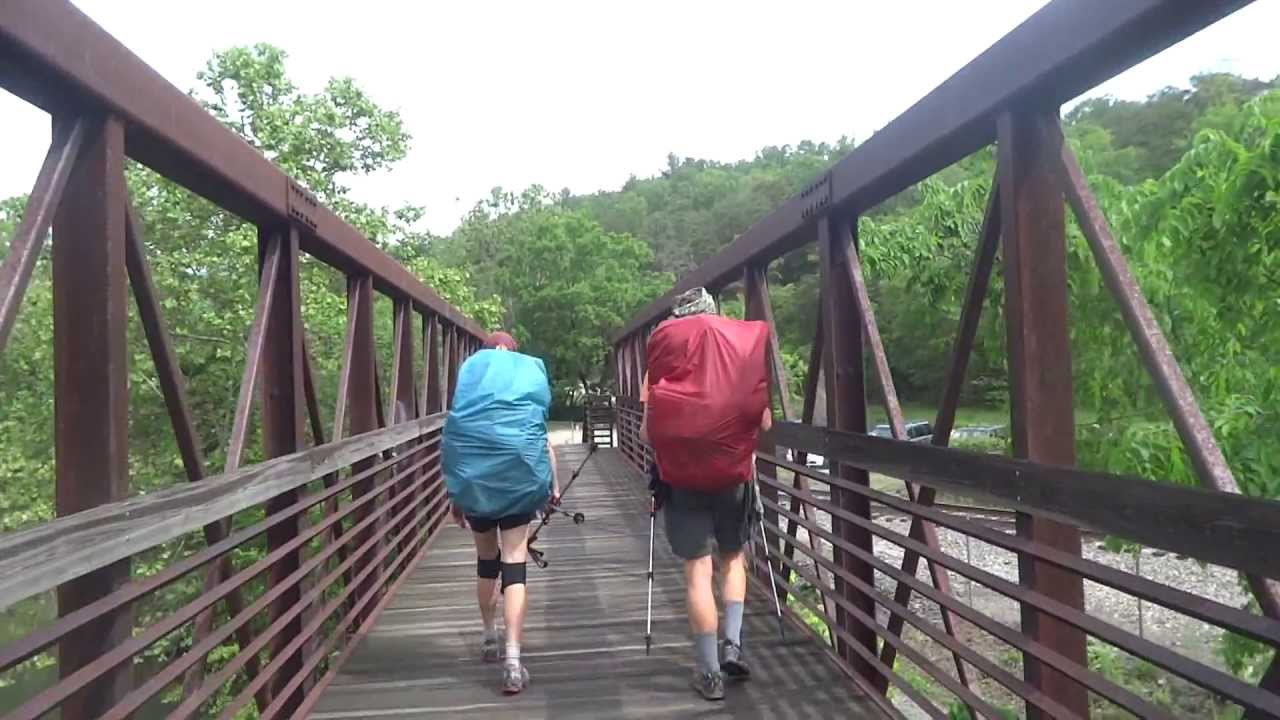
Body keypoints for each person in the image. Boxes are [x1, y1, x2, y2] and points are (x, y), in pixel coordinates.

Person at [640, 288, 772, 701]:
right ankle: (732, 643)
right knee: (733, 557)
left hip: (681, 480)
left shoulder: (662, 360)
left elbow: (647, 433)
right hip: (733, 478)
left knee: (697, 570)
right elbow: (763, 421)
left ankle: (709, 673)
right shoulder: (738, 356)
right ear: (716, 315)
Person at [445, 330, 560, 695]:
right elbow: (541, 440)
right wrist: (550, 488)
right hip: (518, 482)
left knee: (486, 562)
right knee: (515, 564)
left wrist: (457, 495)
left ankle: (488, 637)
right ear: (513, 353)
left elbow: (455, 439)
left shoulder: (473, 378)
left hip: (475, 487)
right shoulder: (522, 380)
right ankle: (513, 660)